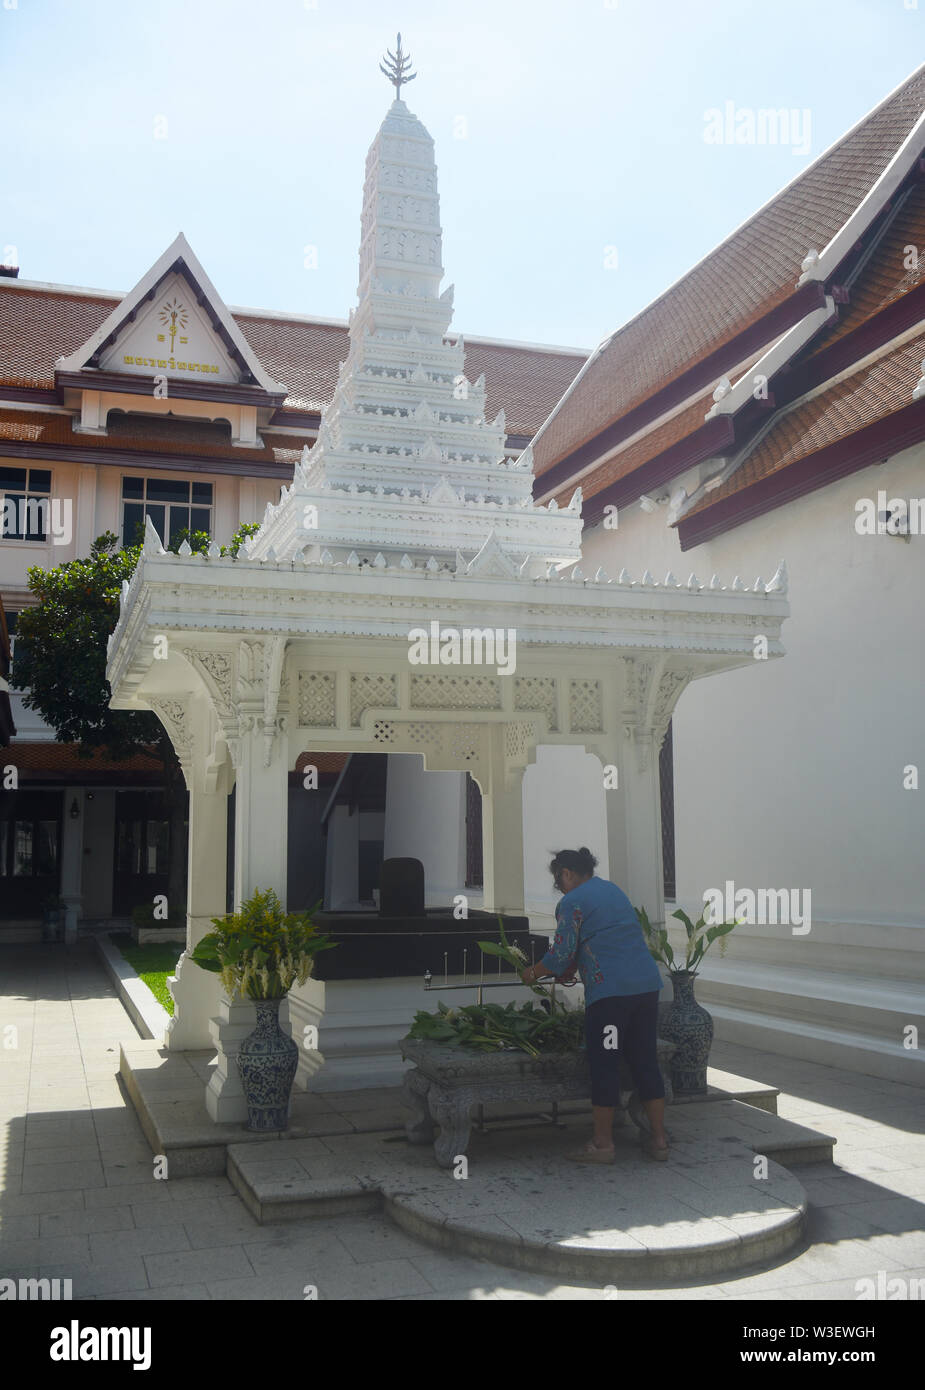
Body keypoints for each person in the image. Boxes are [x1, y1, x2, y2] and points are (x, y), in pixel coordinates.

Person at [520, 847, 669, 1164]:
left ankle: (603, 1144)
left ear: (566, 874)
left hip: (610, 995)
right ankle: (658, 1140)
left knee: (605, 1063)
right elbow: (604, 938)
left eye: (558, 881)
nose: (560, 888)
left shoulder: (572, 902)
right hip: (645, 987)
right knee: (645, 1060)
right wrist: (572, 969)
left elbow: (559, 956)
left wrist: (531, 973)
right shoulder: (612, 890)